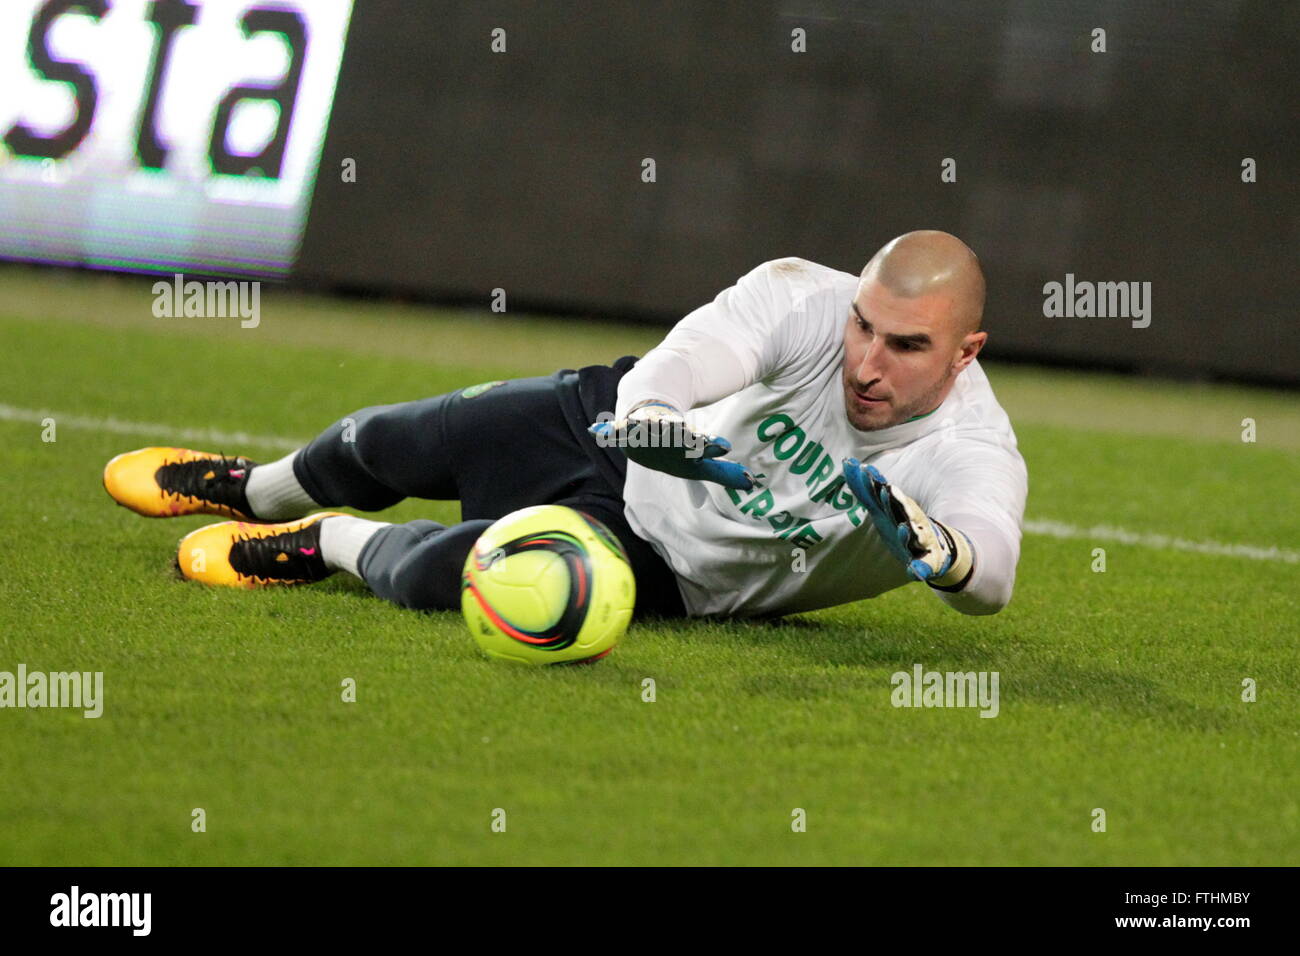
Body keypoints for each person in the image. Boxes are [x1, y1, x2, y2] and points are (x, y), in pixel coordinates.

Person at [103, 230, 1027, 619]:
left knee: (458, 573)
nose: (866, 362)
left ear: (967, 352)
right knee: (398, 439)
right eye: (863, 326)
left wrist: (944, 556)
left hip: (669, 564)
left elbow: (991, 567)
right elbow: (680, 365)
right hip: (612, 426)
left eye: (905, 346)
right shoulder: (802, 297)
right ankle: (252, 489)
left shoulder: (969, 450)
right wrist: (657, 419)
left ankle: (325, 544)